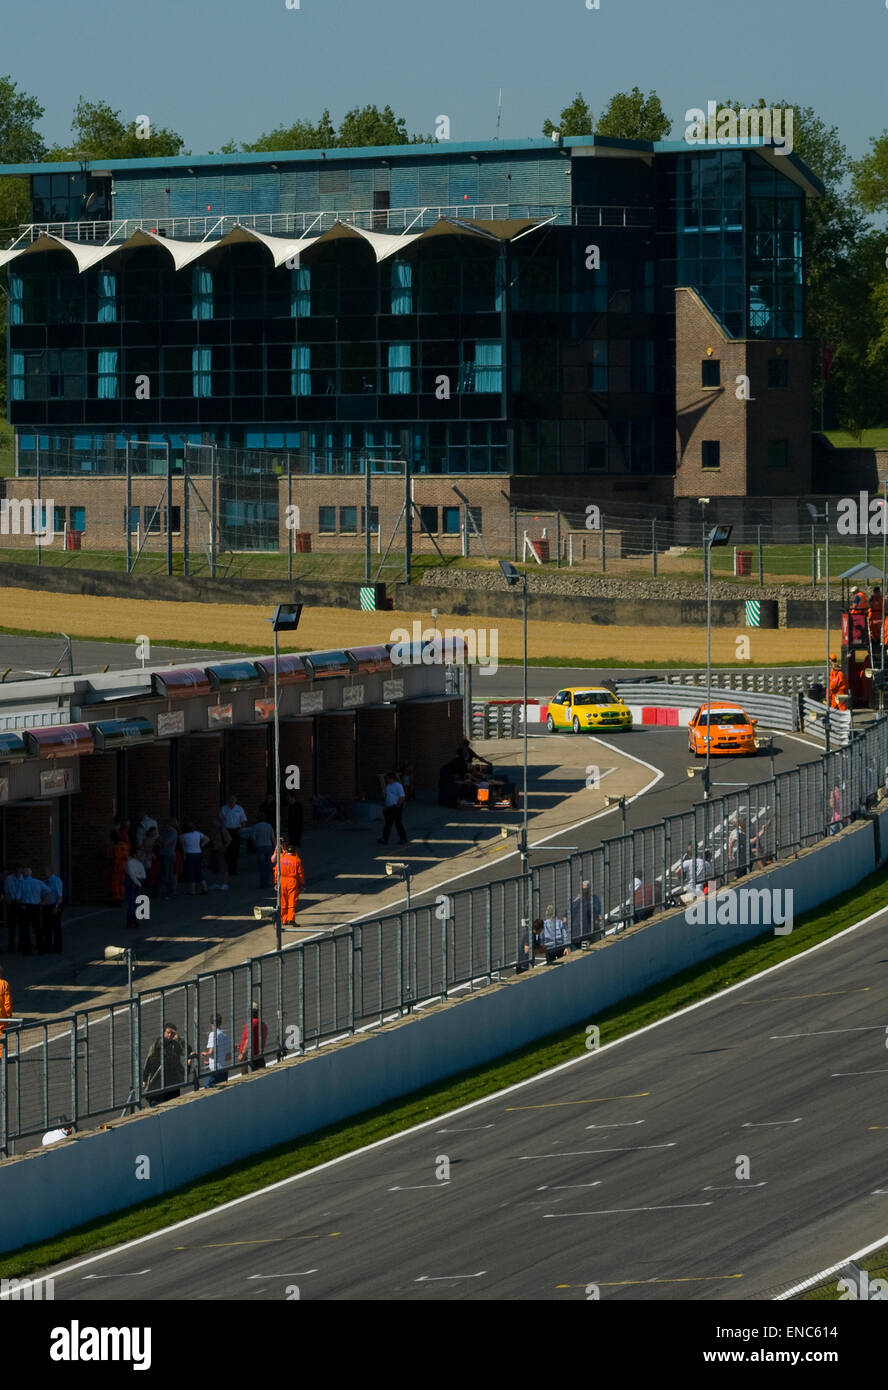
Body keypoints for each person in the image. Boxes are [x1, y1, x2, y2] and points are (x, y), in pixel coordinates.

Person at [142, 1023, 188, 1105]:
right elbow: (148, 1061)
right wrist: (144, 1079)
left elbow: (186, 1051)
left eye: (173, 1033)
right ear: (164, 1032)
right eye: (168, 1032)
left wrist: (180, 1039)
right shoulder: (156, 1044)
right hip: (157, 1083)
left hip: (172, 1083)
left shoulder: (176, 1044)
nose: (170, 1035)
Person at [272, 840, 305, 925]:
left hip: (282, 881)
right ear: (294, 851)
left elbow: (276, 871)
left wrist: (276, 882)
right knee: (292, 900)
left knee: (283, 901)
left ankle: (283, 919)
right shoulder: (297, 860)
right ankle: (291, 918)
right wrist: (301, 884)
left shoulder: (281, 859)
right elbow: (300, 873)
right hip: (292, 881)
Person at [18, 868, 47, 955]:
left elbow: (17, 897)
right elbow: (48, 891)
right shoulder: (38, 882)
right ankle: (41, 949)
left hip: (26, 907)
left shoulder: (22, 883)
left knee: (25, 929)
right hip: (36, 906)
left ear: (24, 875)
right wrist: (43, 902)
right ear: (31, 874)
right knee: (37, 928)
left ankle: (27, 950)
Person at [200, 1014, 232, 1087]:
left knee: (207, 1089)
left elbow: (211, 1052)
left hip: (214, 1070)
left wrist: (205, 1053)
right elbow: (228, 1056)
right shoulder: (225, 1036)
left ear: (211, 1023)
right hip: (223, 1070)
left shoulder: (213, 1034)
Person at [219, 794, 247, 877]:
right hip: (227, 830)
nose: (231, 801)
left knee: (235, 850)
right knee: (227, 850)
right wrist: (222, 829)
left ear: (235, 800)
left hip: (236, 830)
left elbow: (243, 821)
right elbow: (220, 819)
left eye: (233, 800)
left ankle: (233, 869)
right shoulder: (224, 809)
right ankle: (227, 869)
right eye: (230, 800)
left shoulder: (239, 809)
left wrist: (240, 830)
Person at [179, 821, 210, 895]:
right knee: (199, 871)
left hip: (189, 854)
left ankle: (192, 891)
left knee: (191, 872)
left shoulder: (182, 836)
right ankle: (205, 888)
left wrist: (184, 855)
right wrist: (201, 845)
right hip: (198, 853)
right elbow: (207, 839)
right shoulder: (198, 833)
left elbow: (184, 847)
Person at [378, 772, 408, 846]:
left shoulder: (398, 785)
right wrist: (386, 806)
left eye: (387, 778)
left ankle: (403, 838)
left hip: (395, 807)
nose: (387, 780)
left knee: (398, 823)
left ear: (391, 778)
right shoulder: (388, 786)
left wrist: (398, 805)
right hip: (389, 807)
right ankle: (385, 839)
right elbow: (388, 797)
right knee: (388, 824)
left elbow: (402, 797)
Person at [569, 880, 602, 945]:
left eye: (586, 889)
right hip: (581, 930)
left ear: (589, 889)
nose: (585, 891)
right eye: (583, 889)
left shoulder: (595, 899)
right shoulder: (576, 901)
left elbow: (598, 914)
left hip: (593, 929)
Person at [237, 1005, 268, 1071]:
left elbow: (249, 1040)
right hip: (260, 1058)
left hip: (250, 1059)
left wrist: (243, 1054)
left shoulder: (251, 1023)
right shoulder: (263, 1025)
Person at [41, 867, 64, 953]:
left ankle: (57, 947)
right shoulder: (44, 881)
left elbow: (59, 895)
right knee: (46, 927)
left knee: (56, 928)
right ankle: (48, 945)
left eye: (46, 871)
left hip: (54, 905)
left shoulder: (56, 881)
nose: (44, 873)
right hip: (46, 906)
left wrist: (56, 906)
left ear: (50, 872)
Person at [252, 813, 275, 890]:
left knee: (261, 866)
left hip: (260, 847)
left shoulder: (255, 827)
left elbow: (254, 838)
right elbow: (272, 837)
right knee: (268, 866)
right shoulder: (269, 826)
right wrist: (275, 846)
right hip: (268, 846)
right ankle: (268, 882)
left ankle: (263, 883)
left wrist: (254, 846)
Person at [207, 817, 231, 890]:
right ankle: (217, 883)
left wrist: (224, 847)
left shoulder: (222, 830)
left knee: (223, 868)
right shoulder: (212, 830)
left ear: (218, 822)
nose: (212, 823)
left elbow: (229, 839)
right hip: (213, 850)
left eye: (214, 821)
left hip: (221, 851)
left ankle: (225, 884)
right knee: (215, 868)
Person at [157, 820, 179, 898]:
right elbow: (159, 841)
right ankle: (161, 891)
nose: (165, 826)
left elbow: (165, 843)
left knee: (168, 874)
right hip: (163, 854)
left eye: (166, 824)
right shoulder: (165, 832)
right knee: (162, 873)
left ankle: (170, 891)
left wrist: (160, 841)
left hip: (169, 855)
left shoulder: (173, 832)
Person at [125, 850, 146, 927]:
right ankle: (132, 919)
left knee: (136, 902)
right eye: (140, 853)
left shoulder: (139, 863)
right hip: (132, 883)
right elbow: (132, 875)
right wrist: (138, 882)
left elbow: (144, 874)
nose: (141, 855)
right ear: (135, 855)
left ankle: (132, 919)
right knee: (132, 902)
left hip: (136, 882)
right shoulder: (130, 863)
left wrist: (140, 878)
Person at [4, 867, 22, 953]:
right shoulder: (9, 879)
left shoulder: (23, 878)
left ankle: (21, 944)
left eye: (19, 872)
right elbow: (6, 891)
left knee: (22, 925)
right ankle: (11, 945)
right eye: (17, 872)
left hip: (21, 902)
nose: (18, 874)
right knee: (12, 925)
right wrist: (8, 900)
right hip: (12, 903)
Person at [109, 829, 129, 905]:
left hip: (118, 866)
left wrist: (115, 866)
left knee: (115, 883)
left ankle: (116, 899)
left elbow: (117, 857)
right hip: (124, 866)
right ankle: (121, 897)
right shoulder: (124, 845)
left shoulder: (117, 847)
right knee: (122, 883)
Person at [0, 962, 11, 1058]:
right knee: (2, 1036)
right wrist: (8, 1016)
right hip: (1, 1016)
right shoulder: (4, 984)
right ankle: (1, 1057)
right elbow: (7, 1002)